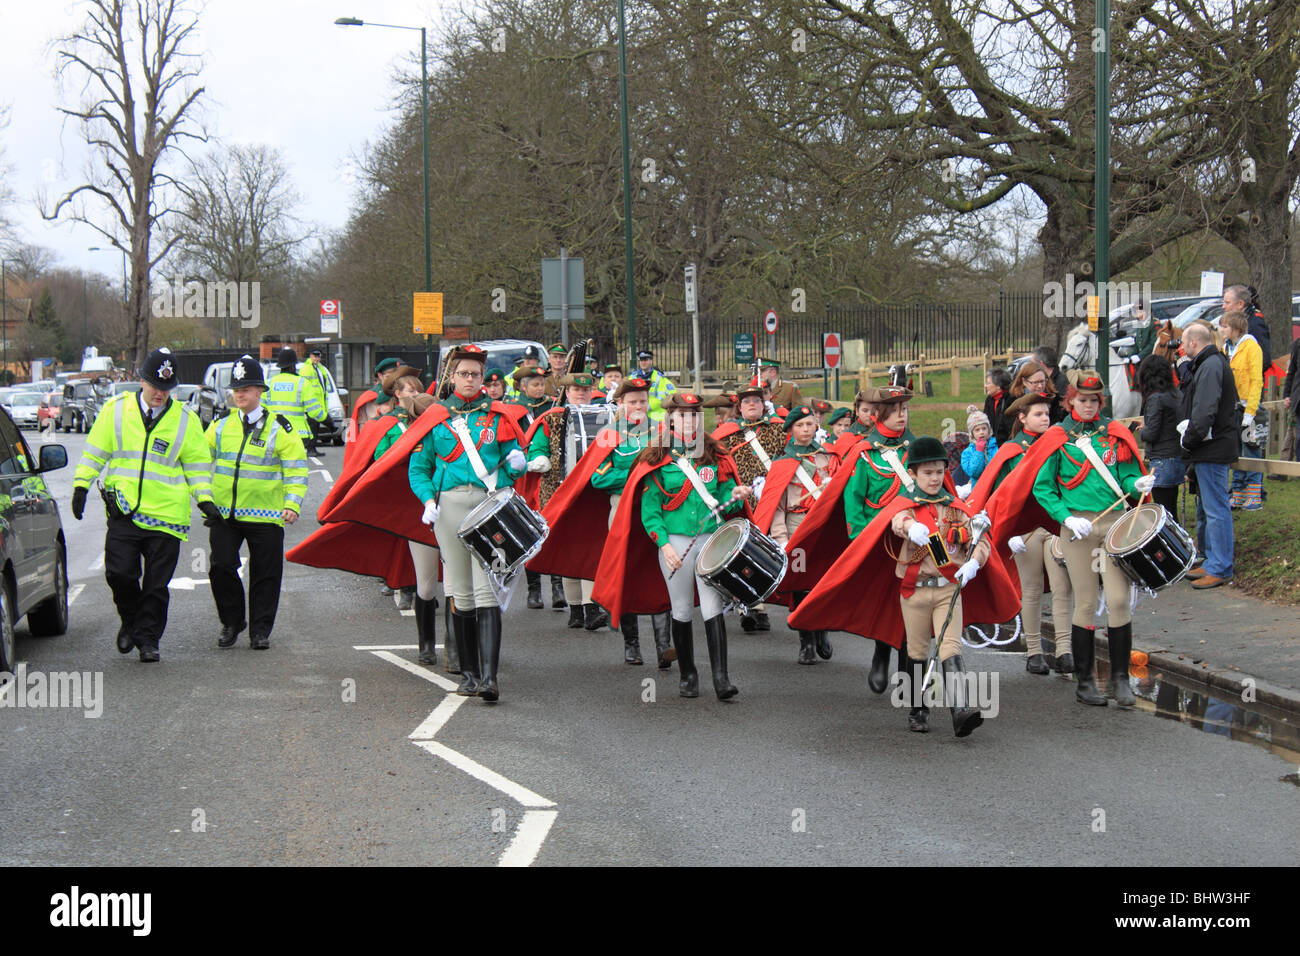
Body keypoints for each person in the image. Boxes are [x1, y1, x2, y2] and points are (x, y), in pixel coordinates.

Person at [788, 435, 1017, 735]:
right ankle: (917, 709)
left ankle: (961, 709)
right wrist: (912, 527)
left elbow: (980, 539)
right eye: (927, 473)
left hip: (949, 588)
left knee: (950, 646)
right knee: (918, 651)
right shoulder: (905, 505)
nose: (934, 479)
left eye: (938, 472)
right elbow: (897, 521)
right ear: (913, 474)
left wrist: (975, 563)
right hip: (915, 590)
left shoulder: (956, 507)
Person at [592, 392, 751, 699]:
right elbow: (650, 513)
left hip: (711, 540)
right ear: (671, 419)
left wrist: (736, 492)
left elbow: (724, 490)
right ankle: (688, 675)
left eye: (694, 414)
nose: (690, 420)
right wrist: (664, 547)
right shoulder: (657, 457)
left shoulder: (714, 452)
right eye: (682, 415)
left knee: (712, 604)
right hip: (675, 543)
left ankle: (721, 678)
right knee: (680, 608)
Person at [71, 347, 219, 662]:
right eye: (155, 386)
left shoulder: (186, 420)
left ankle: (149, 639)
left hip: (167, 515)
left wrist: (205, 499)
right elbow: (95, 452)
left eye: (166, 388)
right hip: (124, 509)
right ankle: (130, 619)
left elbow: (196, 466)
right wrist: (81, 485)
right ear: (142, 380)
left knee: (155, 586)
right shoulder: (115, 410)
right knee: (119, 574)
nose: (160, 394)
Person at [408, 345, 528, 701]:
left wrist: (516, 464)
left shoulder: (501, 415)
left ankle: (490, 677)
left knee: (487, 589)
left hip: (490, 507)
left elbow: (511, 461)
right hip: (450, 508)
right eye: (464, 373)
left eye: (476, 374)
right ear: (452, 377)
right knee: (460, 591)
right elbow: (419, 468)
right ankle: (469, 674)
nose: (471, 380)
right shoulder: (436, 416)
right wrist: (428, 499)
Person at [1032, 373, 1155, 707]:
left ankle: (1119, 680)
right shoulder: (1059, 438)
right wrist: (1066, 517)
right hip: (1078, 527)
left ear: (1101, 402)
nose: (1088, 406)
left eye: (1094, 401)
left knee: (1118, 601)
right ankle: (1085, 681)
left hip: (1115, 525)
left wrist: (1137, 485)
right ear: (1071, 400)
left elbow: (1126, 476)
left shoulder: (1113, 434)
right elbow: (1043, 487)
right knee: (1085, 602)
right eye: (1082, 400)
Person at [205, 355, 309, 651]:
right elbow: (199, 460)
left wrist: (292, 503)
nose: (240, 394)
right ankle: (232, 621)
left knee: (265, 573)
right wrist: (203, 498)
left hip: (266, 514)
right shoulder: (221, 427)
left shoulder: (280, 428)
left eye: (247, 388)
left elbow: (296, 468)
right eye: (237, 389)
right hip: (225, 513)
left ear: (260, 391)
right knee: (221, 566)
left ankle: (260, 630)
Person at [969, 391, 1068, 675]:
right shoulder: (1011, 450)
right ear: (1022, 418)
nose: (1045, 418)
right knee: (1032, 590)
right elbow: (1000, 495)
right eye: (1038, 414)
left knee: (1062, 587)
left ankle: (1064, 650)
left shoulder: (1057, 445)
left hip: (1056, 525)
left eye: (1047, 414)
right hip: (1024, 532)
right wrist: (1008, 532)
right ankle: (1035, 651)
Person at [524, 370, 611, 630]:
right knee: (570, 549)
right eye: (576, 390)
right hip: (560, 492)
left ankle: (591, 607)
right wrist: (540, 459)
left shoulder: (604, 416)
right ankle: (575, 608)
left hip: (594, 492)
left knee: (591, 550)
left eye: (585, 390)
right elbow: (539, 448)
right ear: (566, 392)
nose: (581, 394)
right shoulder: (552, 419)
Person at [751, 405, 838, 664]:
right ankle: (806, 642)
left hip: (823, 529)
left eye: (810, 424)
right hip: (796, 528)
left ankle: (821, 631)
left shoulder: (828, 457)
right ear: (790, 430)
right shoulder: (782, 463)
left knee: (822, 583)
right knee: (800, 584)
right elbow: (776, 506)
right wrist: (781, 539)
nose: (805, 429)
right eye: (800, 425)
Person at [712, 382, 786, 630]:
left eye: (756, 400)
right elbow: (718, 467)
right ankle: (753, 608)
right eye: (747, 402)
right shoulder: (726, 434)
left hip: (774, 498)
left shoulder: (779, 429)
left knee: (773, 550)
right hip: (744, 500)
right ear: (739, 408)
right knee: (746, 553)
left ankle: (782, 595)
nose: (752, 404)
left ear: (764, 404)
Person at [1179, 322, 1239, 590]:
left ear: (1194, 342)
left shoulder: (1210, 366)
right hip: (1210, 446)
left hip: (1212, 448)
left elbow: (1205, 410)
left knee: (1216, 510)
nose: (1180, 347)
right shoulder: (1210, 364)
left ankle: (1220, 567)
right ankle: (1214, 560)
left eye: (1183, 341)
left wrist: (1188, 441)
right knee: (1210, 508)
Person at [509, 366, 562, 610]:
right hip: (524, 477)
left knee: (552, 525)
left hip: (549, 474)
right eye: (535, 384)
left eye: (542, 383)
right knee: (529, 530)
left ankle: (558, 586)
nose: (540, 388)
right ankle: (534, 589)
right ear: (522, 386)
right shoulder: (512, 411)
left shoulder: (552, 407)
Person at [1221, 310, 1264, 510]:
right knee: (1235, 449)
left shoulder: (1251, 347)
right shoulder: (1226, 349)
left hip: (1248, 408)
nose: (1222, 330)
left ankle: (1254, 491)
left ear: (1236, 329)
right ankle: (1237, 491)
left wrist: (1251, 411)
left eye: (1225, 327)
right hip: (1233, 408)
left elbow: (1256, 380)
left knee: (1252, 448)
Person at [1135, 355, 1184, 515]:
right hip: (1176, 458)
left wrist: (1142, 431)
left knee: (1164, 515)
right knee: (1171, 510)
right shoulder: (1176, 394)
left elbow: (1152, 433)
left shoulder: (1155, 398)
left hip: (1162, 460)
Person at [265, 347, 328, 451]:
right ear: (293, 366)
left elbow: (261, 410)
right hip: (298, 435)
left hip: (273, 434)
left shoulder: (268, 383)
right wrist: (326, 419)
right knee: (296, 466)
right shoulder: (303, 383)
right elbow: (314, 412)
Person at [302, 348, 331, 455]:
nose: (317, 358)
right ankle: (310, 449)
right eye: (315, 356)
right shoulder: (307, 369)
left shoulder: (320, 368)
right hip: (311, 404)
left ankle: (312, 449)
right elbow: (304, 386)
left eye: (318, 356)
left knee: (315, 427)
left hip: (318, 404)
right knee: (313, 427)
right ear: (310, 356)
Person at [635, 349, 676, 419]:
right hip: (636, 416)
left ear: (651, 361)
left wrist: (646, 407)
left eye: (646, 360)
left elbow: (673, 396)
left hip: (656, 418)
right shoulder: (632, 377)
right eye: (641, 360)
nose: (643, 362)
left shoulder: (660, 379)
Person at [1031, 346, 1070, 421]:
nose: (1030, 366)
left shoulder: (1062, 383)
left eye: (1032, 363)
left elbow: (1062, 412)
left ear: (1041, 364)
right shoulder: (1043, 379)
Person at [960, 407, 998, 481]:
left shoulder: (997, 446)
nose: (981, 432)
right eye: (977, 430)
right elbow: (974, 473)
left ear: (989, 430)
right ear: (972, 434)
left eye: (984, 428)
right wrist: (979, 452)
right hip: (979, 488)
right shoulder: (967, 452)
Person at [983, 367, 1013, 443]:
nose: (985, 386)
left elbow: (1010, 428)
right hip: (992, 444)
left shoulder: (1011, 400)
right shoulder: (989, 399)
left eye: (988, 383)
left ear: (998, 386)